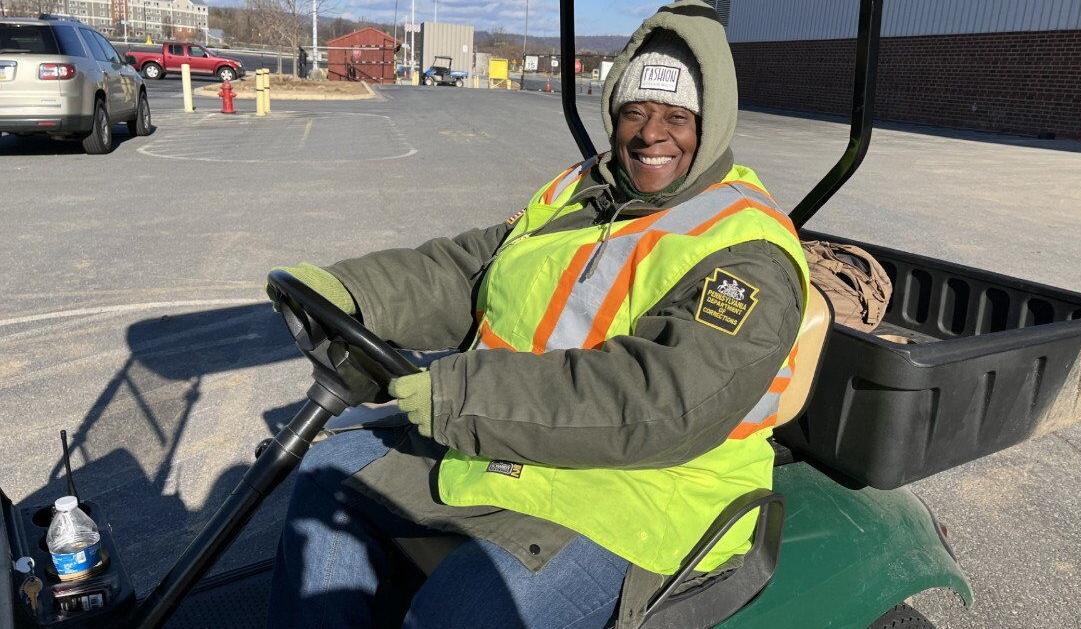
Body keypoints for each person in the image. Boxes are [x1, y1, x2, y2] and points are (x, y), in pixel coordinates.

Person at [265, 2, 810, 627]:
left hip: (642, 494)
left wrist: (463, 395)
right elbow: (474, 267)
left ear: (709, 126)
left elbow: (664, 402)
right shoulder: (587, 191)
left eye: (677, 117)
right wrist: (353, 294)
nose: (651, 133)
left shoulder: (747, 251)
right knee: (327, 473)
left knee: (457, 615)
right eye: (635, 111)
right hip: (521, 450)